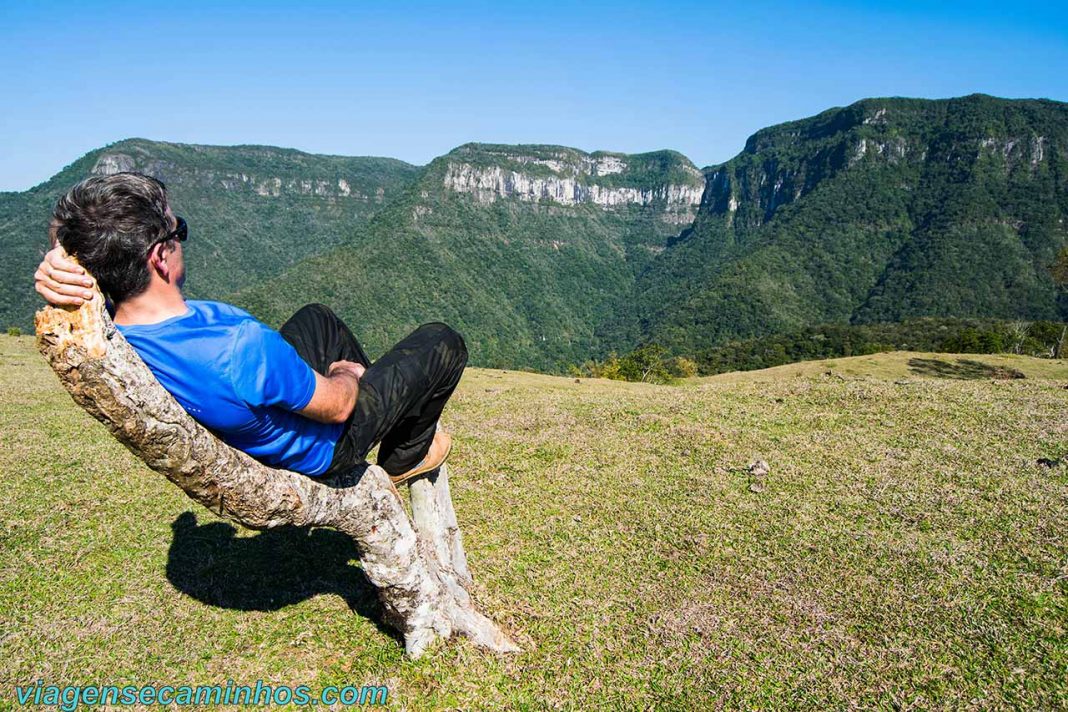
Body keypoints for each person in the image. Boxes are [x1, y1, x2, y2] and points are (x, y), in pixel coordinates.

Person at [34, 172, 465, 486]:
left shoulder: (115, 331)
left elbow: (73, 241)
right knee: (442, 340)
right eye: (177, 230)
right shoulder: (241, 348)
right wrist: (345, 377)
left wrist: (58, 262)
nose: (182, 237)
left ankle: (389, 419)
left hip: (248, 408)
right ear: (159, 258)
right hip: (322, 447)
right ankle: (405, 453)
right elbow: (336, 407)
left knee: (318, 318)